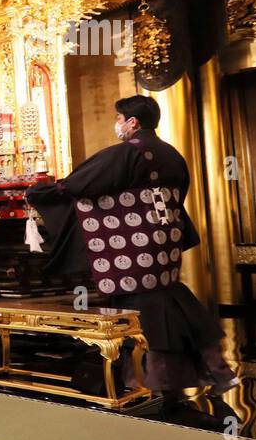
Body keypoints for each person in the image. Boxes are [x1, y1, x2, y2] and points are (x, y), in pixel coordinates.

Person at [26, 95, 239, 403]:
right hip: (164, 242)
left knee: (142, 307)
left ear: (132, 122)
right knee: (167, 293)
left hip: (134, 247)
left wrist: (41, 193)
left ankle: (146, 382)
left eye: (118, 118)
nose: (117, 125)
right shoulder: (172, 154)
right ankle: (216, 370)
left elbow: (80, 184)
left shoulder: (128, 152)